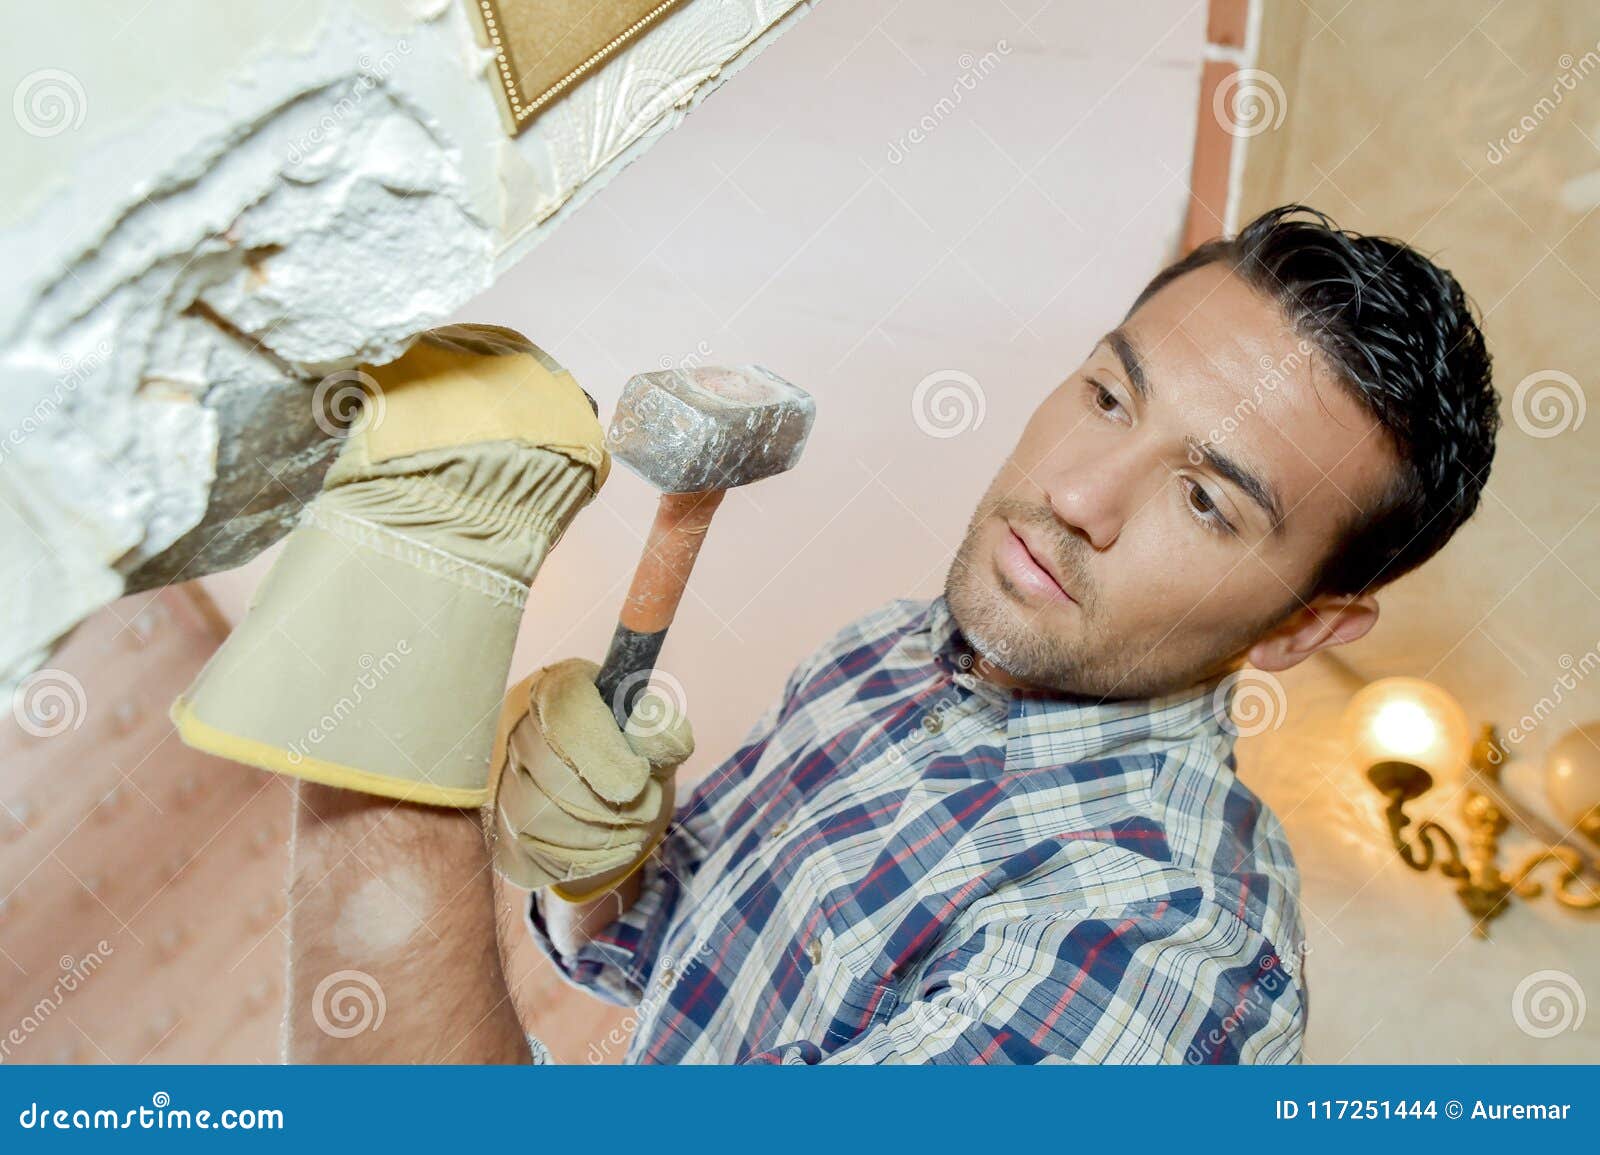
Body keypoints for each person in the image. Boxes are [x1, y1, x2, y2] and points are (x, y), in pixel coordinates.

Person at [291, 205, 1499, 1064]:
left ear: (1304, 627)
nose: (1079, 495)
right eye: (1108, 395)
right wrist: (602, 868)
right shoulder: (898, 649)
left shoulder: (1156, 959)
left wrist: (394, 690)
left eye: (1203, 498)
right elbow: (665, 969)